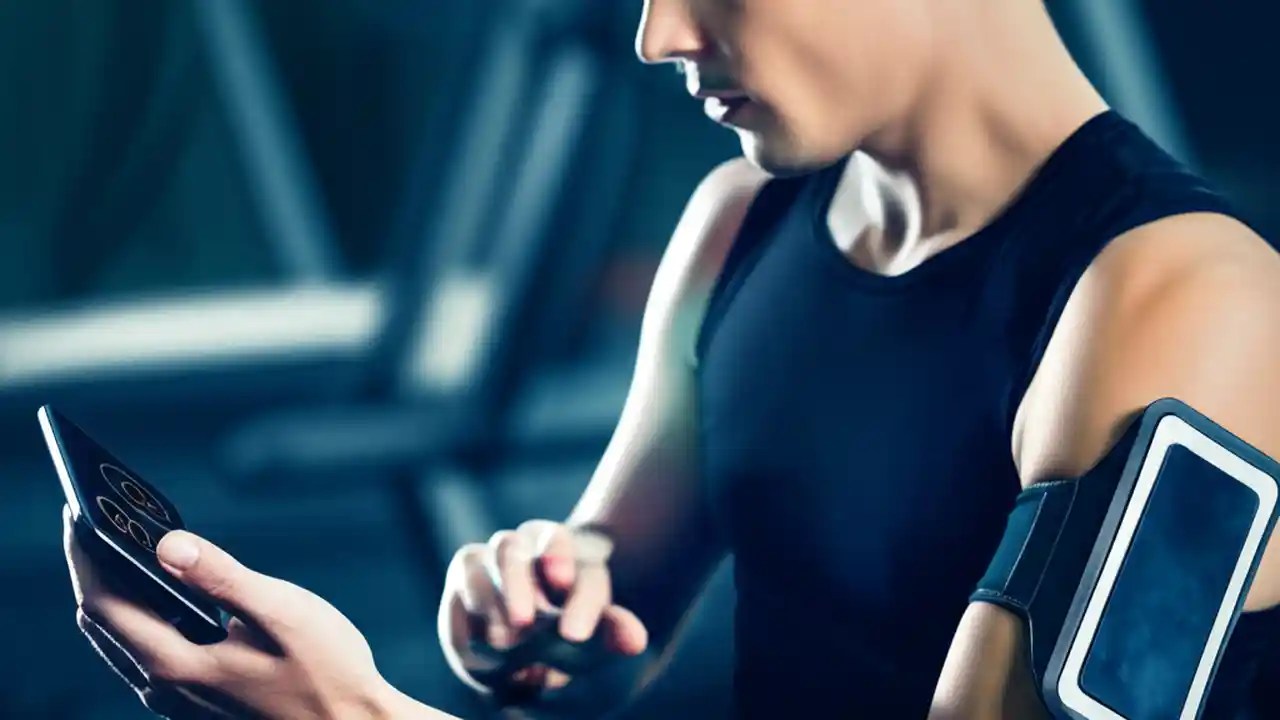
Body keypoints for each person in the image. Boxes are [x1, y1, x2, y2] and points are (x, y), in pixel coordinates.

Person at [64, 0, 1280, 718]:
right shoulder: (736, 224)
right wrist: (542, 605)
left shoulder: (1185, 303)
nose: (655, 33)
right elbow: (604, 616)